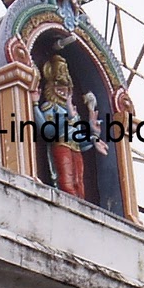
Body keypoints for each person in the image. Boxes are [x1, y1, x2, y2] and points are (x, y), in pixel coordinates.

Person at [33, 55, 105, 197]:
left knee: (79, 184)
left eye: (66, 88)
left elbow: (80, 141)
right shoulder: (50, 106)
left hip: (75, 149)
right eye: (59, 87)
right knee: (67, 184)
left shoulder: (73, 112)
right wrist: (35, 104)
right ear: (51, 87)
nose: (63, 91)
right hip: (62, 146)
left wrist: (94, 136)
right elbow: (48, 132)